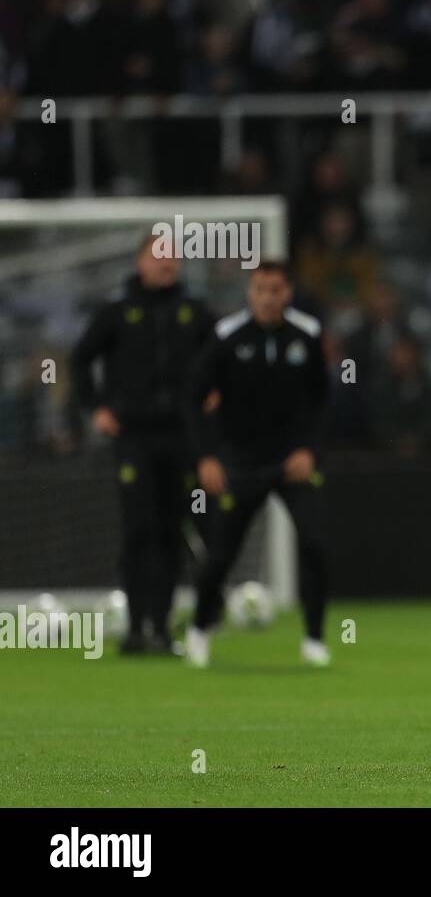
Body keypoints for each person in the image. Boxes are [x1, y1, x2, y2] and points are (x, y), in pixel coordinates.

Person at [71, 233, 215, 655]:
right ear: (141, 262)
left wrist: (215, 391)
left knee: (172, 532)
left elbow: (221, 354)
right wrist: (95, 406)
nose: (167, 264)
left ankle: (162, 626)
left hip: (180, 436)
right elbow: (81, 357)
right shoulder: (118, 312)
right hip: (133, 437)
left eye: (173, 257)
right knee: (138, 529)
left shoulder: (194, 312)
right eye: (159, 256)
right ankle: (135, 628)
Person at [182, 262, 331, 668]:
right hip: (240, 463)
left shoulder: (309, 334)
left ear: (289, 292)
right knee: (221, 554)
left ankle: (315, 639)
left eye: (277, 290)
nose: (269, 297)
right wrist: (207, 457)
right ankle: (199, 629)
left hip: (294, 463)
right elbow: (193, 398)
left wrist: (310, 451)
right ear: (251, 292)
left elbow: (321, 400)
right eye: (261, 289)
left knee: (316, 544)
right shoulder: (227, 336)